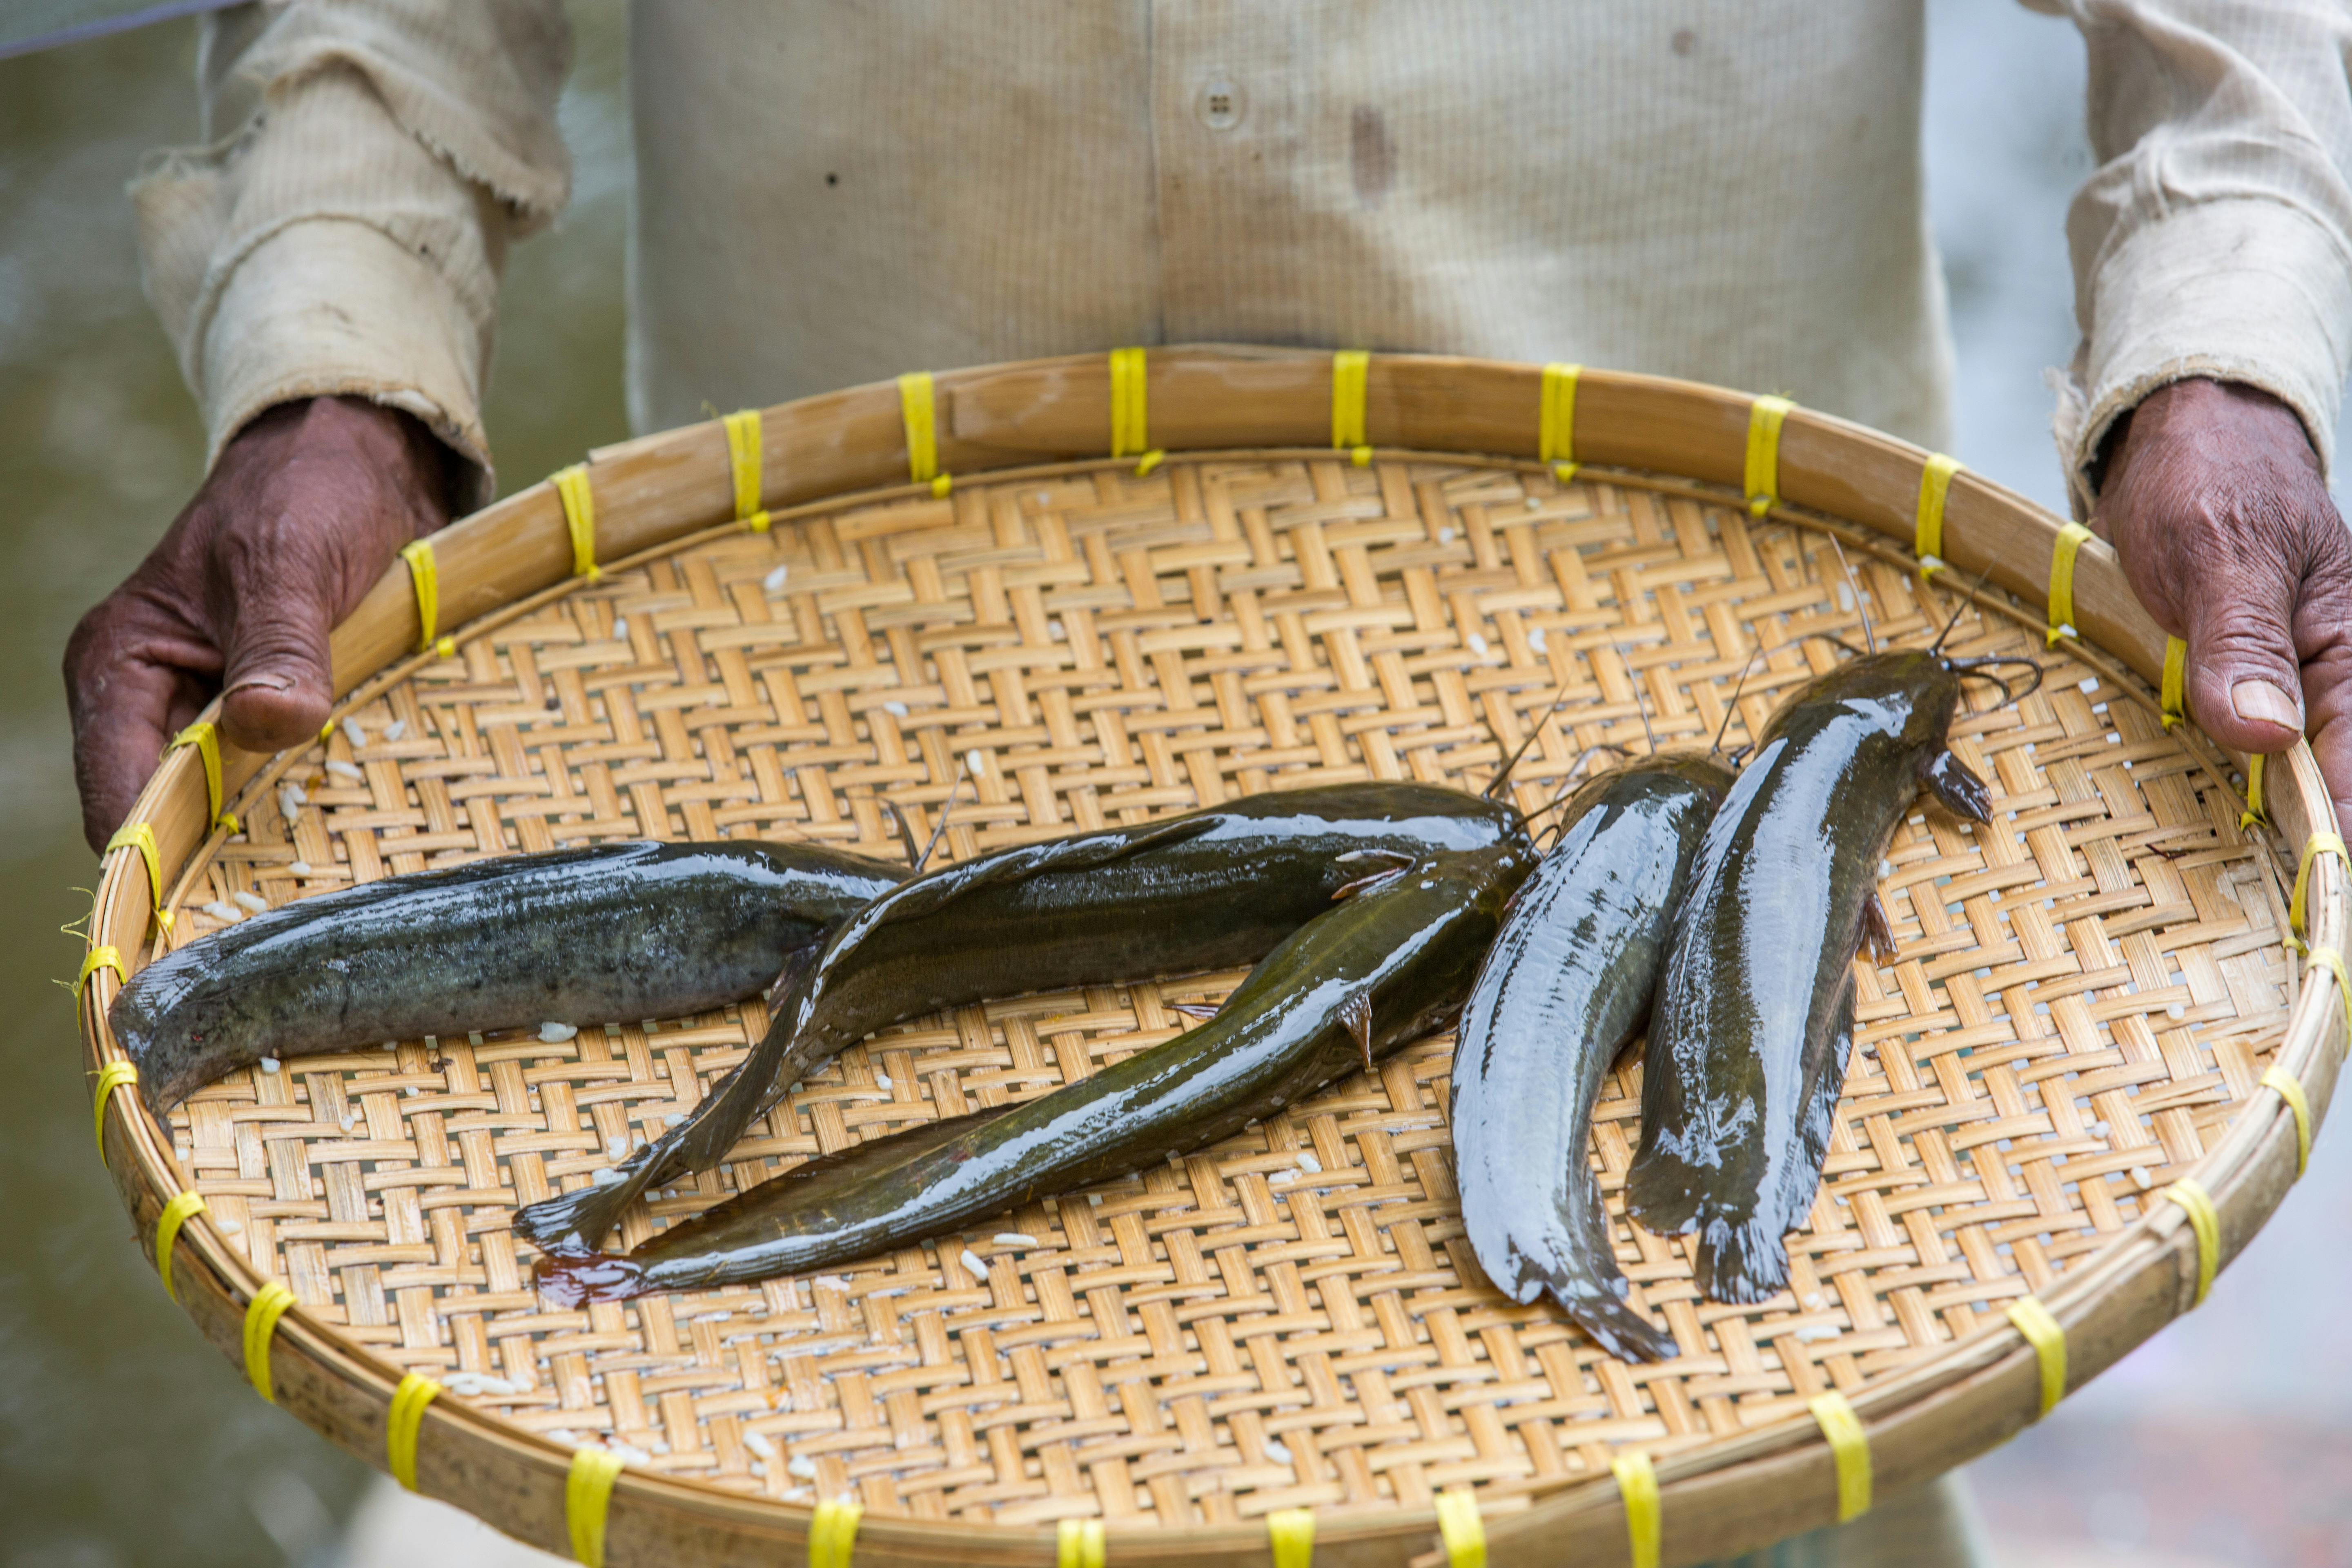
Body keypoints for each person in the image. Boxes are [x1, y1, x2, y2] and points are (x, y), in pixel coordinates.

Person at [56, 4, 2352, 1562]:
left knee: (1706, 1474)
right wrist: (333, 343)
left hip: (1690, 501)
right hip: (837, 576)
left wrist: (2224, 344)